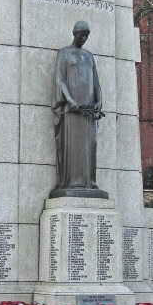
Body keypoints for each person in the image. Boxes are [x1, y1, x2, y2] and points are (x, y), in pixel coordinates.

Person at [50, 21, 108, 198]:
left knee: (90, 145)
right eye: (81, 35)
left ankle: (88, 182)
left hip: (89, 112)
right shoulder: (64, 53)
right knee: (73, 146)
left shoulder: (89, 56)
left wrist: (99, 101)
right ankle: (71, 182)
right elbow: (60, 80)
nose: (83, 39)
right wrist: (70, 100)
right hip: (72, 110)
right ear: (74, 33)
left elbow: (96, 82)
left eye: (86, 36)